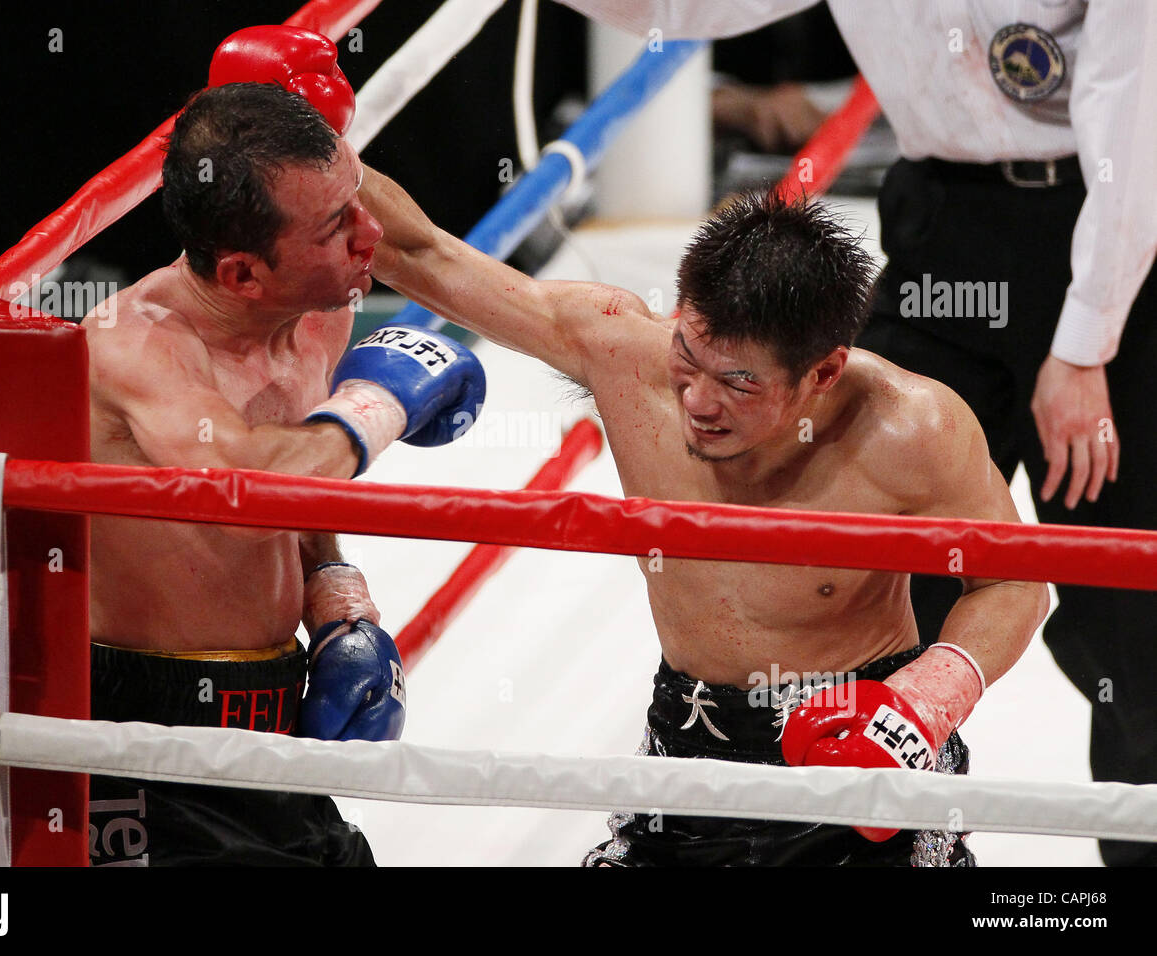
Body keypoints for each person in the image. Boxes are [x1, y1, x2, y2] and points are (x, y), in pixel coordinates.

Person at [558, 0, 1157, 868]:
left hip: (1104, 238)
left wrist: (1084, 344)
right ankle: (858, 834)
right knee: (866, 564)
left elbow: (1134, 120)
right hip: (939, 228)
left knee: (1130, 618)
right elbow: (689, 5)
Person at [360, 166, 1048, 865]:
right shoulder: (621, 352)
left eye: (739, 383)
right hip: (690, 740)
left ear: (823, 373)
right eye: (688, 357)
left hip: (859, 740)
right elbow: (421, 253)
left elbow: (1014, 581)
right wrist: (320, 150)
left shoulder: (912, 428)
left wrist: (923, 702)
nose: (697, 401)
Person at [80, 77, 484, 865]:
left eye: (356, 199)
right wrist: (378, 406)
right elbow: (245, 487)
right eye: (337, 225)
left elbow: (301, 481)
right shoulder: (134, 347)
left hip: (273, 698)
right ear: (242, 275)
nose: (372, 233)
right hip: (144, 733)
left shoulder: (321, 311)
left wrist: (333, 594)